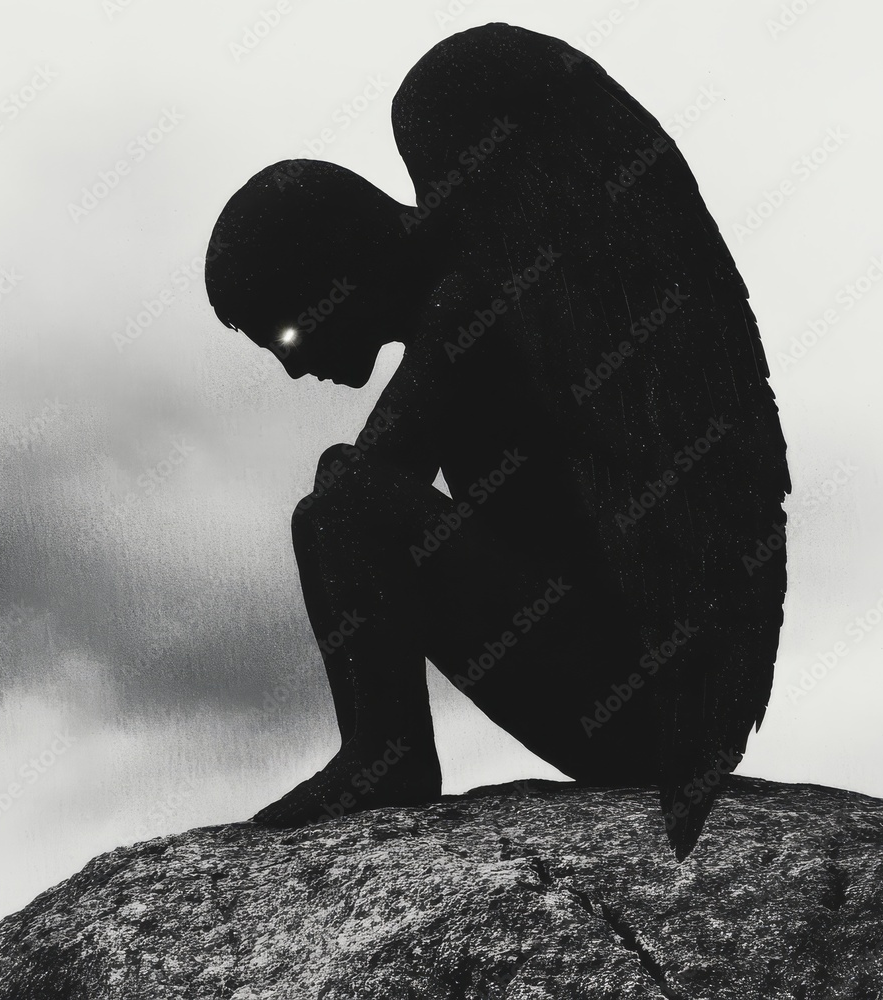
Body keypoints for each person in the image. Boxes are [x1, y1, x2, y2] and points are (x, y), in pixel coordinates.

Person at [206, 23, 790, 859]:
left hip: (632, 705)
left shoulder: (467, 296)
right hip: (616, 699)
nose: (296, 371)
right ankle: (382, 752)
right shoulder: (467, 292)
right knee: (340, 494)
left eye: (290, 337)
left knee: (341, 506)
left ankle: (387, 756)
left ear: (334, 267)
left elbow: (367, 494)